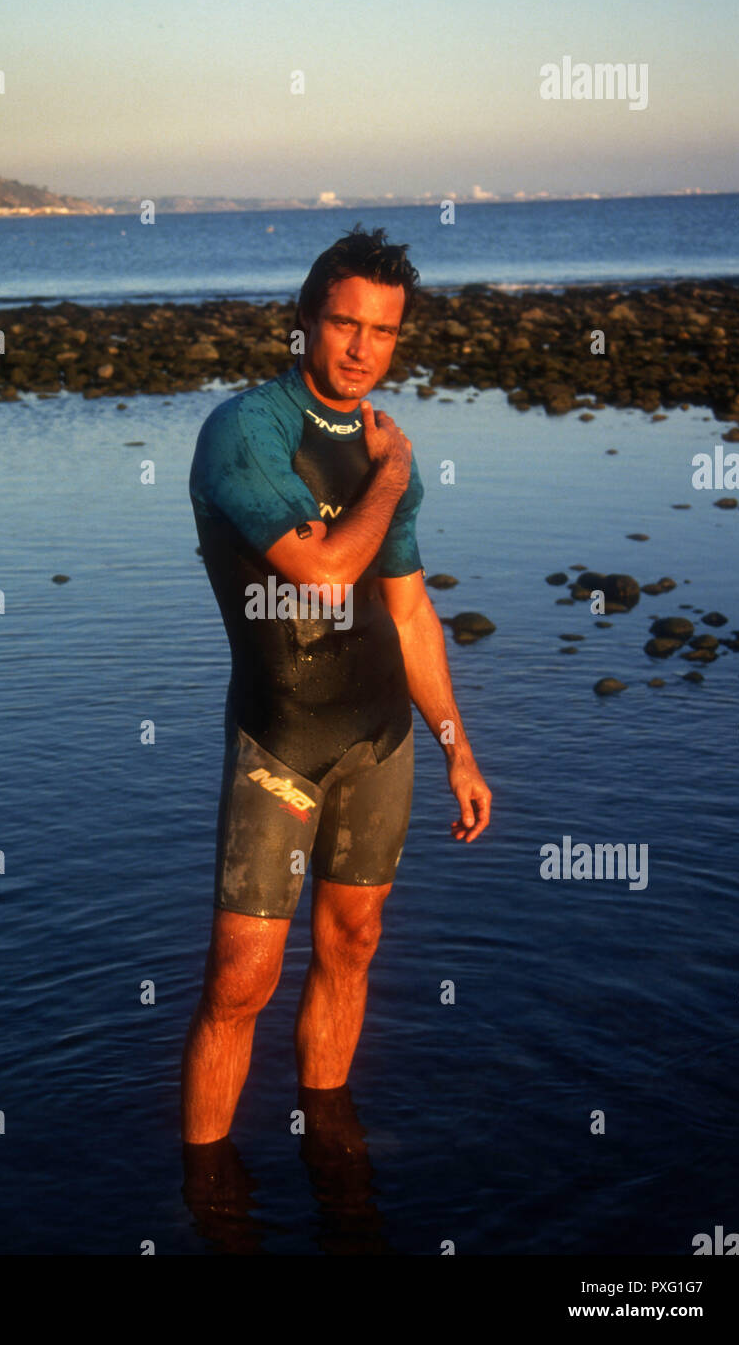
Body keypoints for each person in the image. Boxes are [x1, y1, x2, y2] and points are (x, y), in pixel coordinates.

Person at [182, 225, 491, 1145]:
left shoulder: (384, 450)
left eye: (383, 331)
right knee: (241, 981)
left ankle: (331, 1157)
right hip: (280, 739)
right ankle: (207, 1194)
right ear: (305, 321)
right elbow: (320, 574)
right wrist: (392, 473)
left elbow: (410, 612)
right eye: (345, 323)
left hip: (381, 737)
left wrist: (457, 748)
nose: (363, 349)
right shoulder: (245, 431)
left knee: (353, 946)